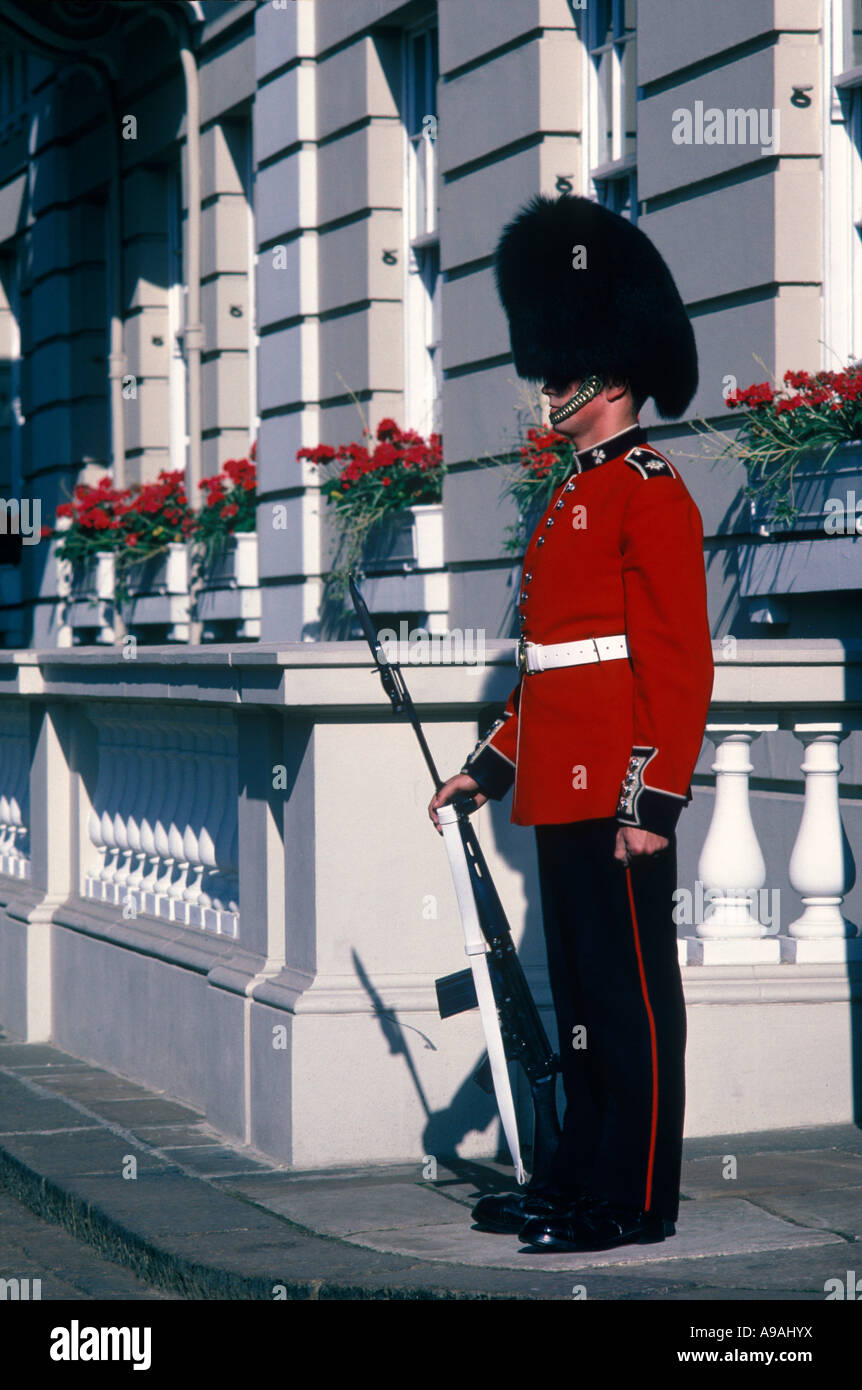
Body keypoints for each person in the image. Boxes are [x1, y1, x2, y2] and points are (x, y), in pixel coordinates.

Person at [428, 194, 714, 1253]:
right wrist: (486, 770)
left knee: (629, 1001)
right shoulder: (573, 493)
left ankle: (634, 1195)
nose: (545, 383)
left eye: (560, 364)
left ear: (610, 367)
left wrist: (649, 797)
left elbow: (675, 664)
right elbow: (551, 668)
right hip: (558, 783)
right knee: (583, 996)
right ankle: (573, 1174)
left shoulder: (650, 492)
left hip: (618, 795)